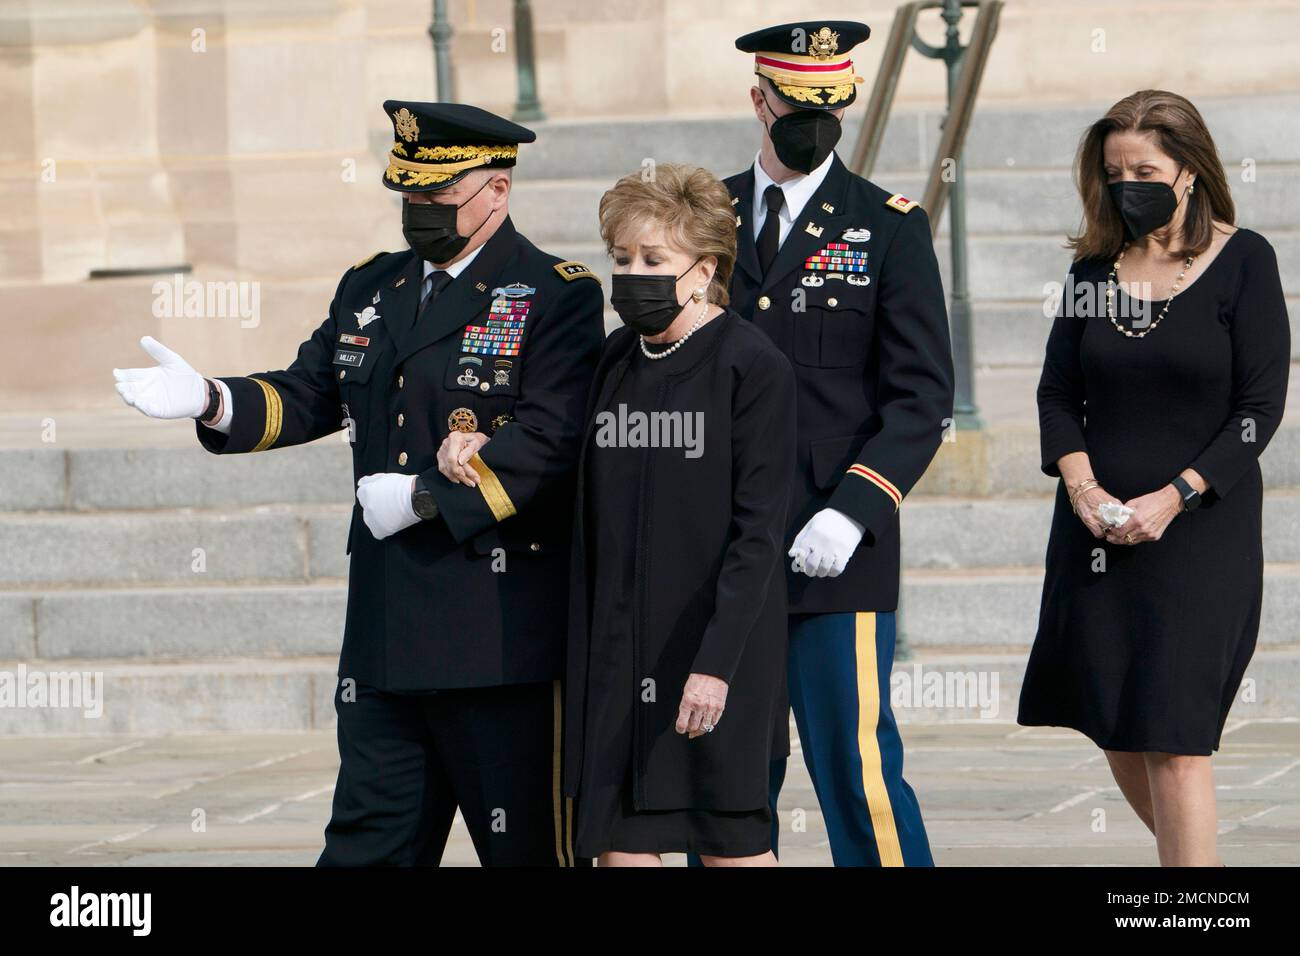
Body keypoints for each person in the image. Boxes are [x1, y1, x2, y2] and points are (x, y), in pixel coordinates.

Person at [112, 100, 605, 866]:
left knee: (529, 852)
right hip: (387, 632)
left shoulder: (554, 293)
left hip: (498, 638)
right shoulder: (372, 287)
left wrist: (424, 498)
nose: (418, 213)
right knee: (365, 850)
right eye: (408, 197)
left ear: (497, 192)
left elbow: (554, 441)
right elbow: (311, 392)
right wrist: (214, 398)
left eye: (437, 199)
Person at [1020, 89, 1290, 866]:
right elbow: (1055, 395)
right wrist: (1083, 490)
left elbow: (1259, 408)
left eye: (1145, 168)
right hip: (1095, 534)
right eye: (1113, 171)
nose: (1127, 183)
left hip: (1199, 535)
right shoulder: (1091, 269)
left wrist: (1177, 497)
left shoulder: (1247, 260)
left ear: (1191, 172)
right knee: (1116, 726)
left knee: (1174, 735)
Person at [709, 21, 954, 868]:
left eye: (831, 104)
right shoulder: (706, 219)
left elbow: (922, 399)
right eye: (795, 104)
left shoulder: (889, 227)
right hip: (718, 539)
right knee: (725, 773)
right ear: (759, 100)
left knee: (856, 768)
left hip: (831, 543)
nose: (813, 121)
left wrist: (855, 510)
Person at [562, 164, 797, 866]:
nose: (632, 273)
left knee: (729, 847)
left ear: (705, 269)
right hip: (619, 655)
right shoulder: (615, 360)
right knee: (620, 849)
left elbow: (757, 535)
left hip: (715, 656)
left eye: (653, 260)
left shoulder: (752, 367)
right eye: (622, 258)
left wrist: (714, 667)